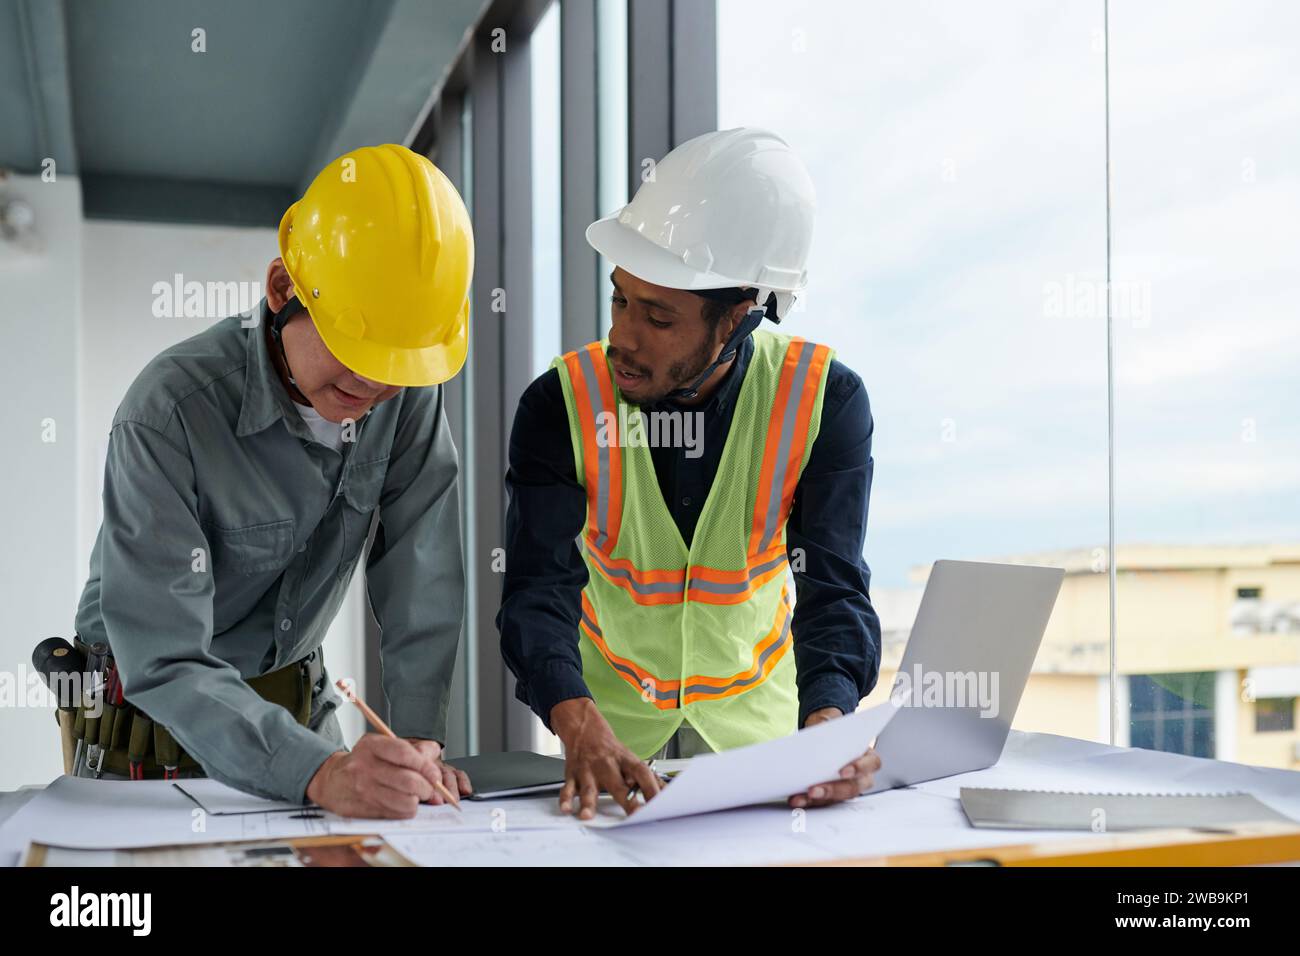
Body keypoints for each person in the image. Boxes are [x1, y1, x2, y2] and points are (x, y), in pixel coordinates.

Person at [71, 144, 472, 819]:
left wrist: (416, 743)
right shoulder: (169, 414)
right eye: (353, 350)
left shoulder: (406, 395)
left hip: (294, 697)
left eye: (394, 365)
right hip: (143, 712)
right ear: (284, 289)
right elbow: (165, 657)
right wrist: (317, 771)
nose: (372, 386)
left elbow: (421, 574)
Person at [498, 128, 882, 819]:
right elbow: (536, 591)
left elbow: (834, 589)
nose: (624, 336)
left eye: (658, 317)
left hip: (758, 739)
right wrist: (574, 720)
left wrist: (829, 725)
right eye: (620, 300)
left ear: (739, 317)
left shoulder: (826, 403)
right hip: (605, 733)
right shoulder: (560, 405)